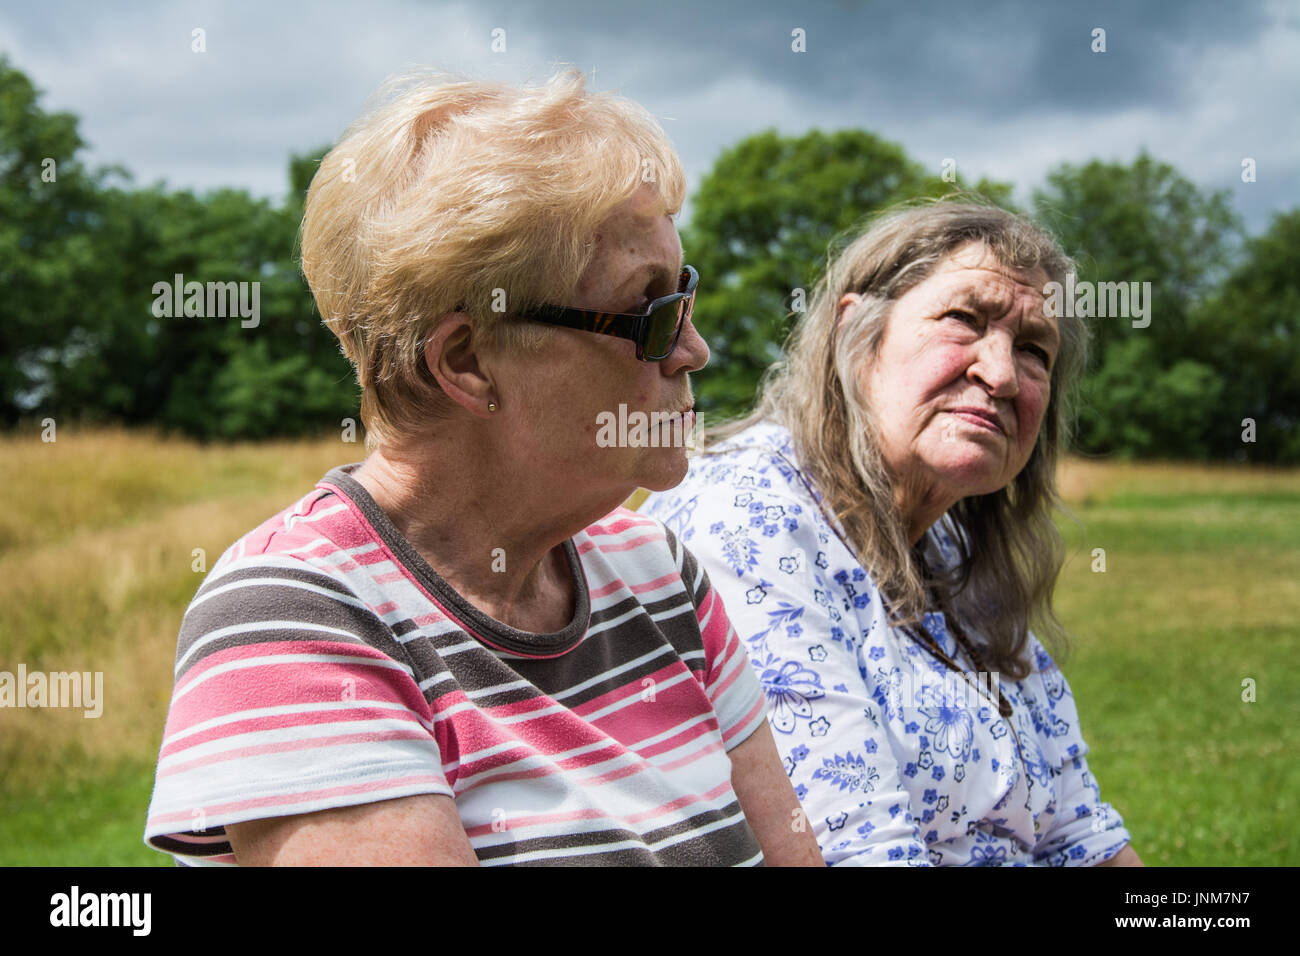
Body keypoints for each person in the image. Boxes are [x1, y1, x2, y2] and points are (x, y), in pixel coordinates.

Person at [142, 68, 822, 867]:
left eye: (687, 295)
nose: (694, 349)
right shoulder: (292, 625)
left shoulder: (658, 575)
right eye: (650, 310)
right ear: (468, 361)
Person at [644, 201, 1142, 866]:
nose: (999, 374)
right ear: (857, 333)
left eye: (1033, 351)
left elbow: (1081, 834)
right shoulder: (747, 516)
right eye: (964, 320)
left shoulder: (956, 551)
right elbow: (858, 850)